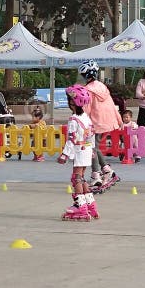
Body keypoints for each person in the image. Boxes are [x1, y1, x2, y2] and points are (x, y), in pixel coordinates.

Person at [78, 60, 121, 191]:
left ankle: (96, 175)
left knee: (91, 148)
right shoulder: (102, 87)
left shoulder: (88, 90)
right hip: (107, 121)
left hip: (95, 123)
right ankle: (107, 170)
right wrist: (118, 120)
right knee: (94, 147)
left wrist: (80, 122)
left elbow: (86, 109)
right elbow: (111, 104)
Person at [57, 84, 96, 221]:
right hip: (87, 149)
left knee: (76, 178)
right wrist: (92, 149)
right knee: (82, 177)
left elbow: (71, 139)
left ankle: (80, 207)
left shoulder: (74, 119)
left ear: (72, 102)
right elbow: (92, 134)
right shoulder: (86, 117)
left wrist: (64, 154)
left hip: (79, 151)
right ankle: (90, 205)